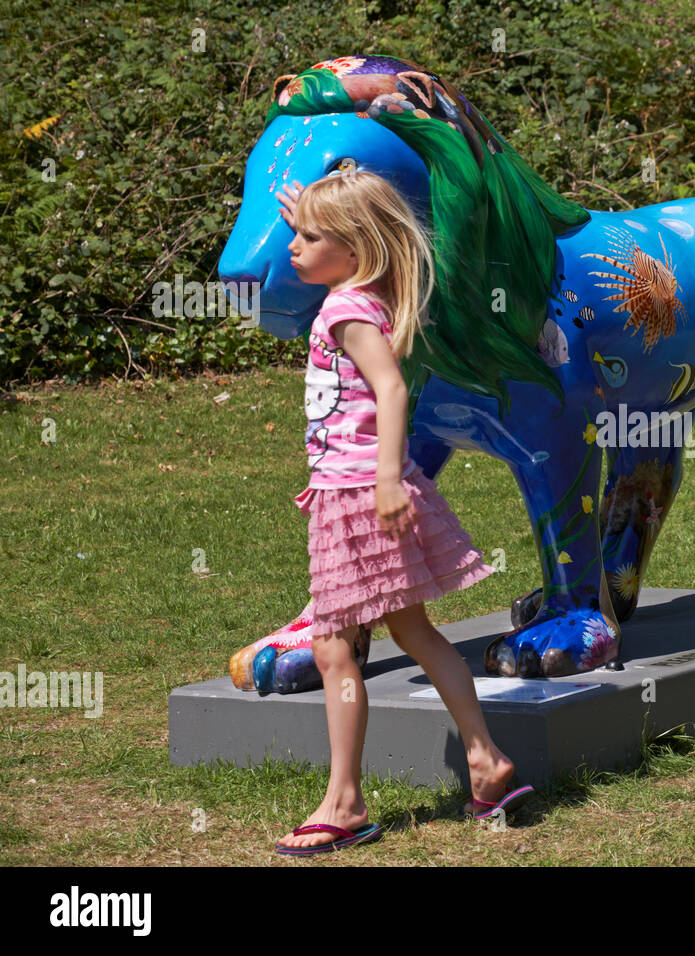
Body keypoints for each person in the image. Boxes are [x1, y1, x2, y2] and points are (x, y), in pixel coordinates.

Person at [272, 169, 532, 855]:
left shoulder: (345, 311)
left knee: (333, 646)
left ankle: (344, 802)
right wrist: (317, 214)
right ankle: (484, 761)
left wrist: (387, 480)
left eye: (308, 236)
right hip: (358, 489)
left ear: (354, 247)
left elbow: (391, 391)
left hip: (357, 493)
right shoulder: (359, 291)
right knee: (415, 632)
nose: (292, 245)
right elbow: (341, 246)